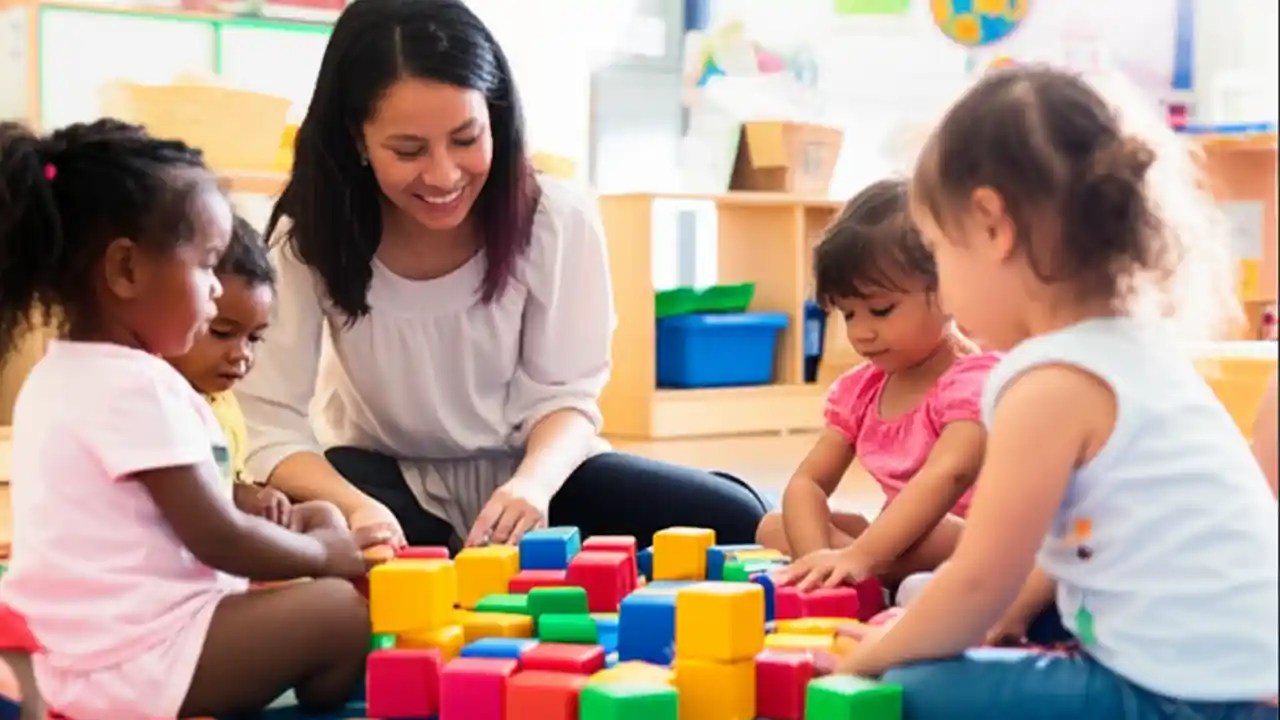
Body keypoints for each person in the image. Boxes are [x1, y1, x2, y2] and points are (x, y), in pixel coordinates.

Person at [236, 0, 769, 551]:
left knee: (736, 514)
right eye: (408, 150)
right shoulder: (308, 236)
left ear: (496, 116)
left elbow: (567, 398)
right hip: (380, 479)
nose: (443, 175)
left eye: (466, 139)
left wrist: (531, 489)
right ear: (357, 140)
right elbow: (272, 422)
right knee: (302, 526)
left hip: (542, 473)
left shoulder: (557, 220)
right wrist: (357, 508)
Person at [833, 66, 1278, 719]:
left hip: (1185, 700)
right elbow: (1049, 557)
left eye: (938, 252)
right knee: (944, 617)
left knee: (912, 690)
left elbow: (983, 578)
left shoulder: (1046, 385)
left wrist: (869, 659)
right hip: (1247, 677)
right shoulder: (1138, 351)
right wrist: (997, 621)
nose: (946, 293)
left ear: (992, 224)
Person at [0, 119, 374, 719]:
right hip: (129, 665)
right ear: (126, 271)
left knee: (314, 541)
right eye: (205, 266)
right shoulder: (136, 385)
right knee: (341, 612)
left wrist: (281, 514)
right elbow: (221, 540)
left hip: (76, 647)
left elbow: (164, 515)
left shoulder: (63, 372)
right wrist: (327, 555)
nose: (213, 295)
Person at [759, 180, 998, 591]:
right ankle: (857, 576)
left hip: (978, 543)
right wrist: (819, 559)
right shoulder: (861, 391)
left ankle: (871, 570)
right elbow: (808, 482)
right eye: (849, 315)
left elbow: (950, 473)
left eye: (880, 310)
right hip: (896, 542)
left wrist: (860, 554)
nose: (862, 332)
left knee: (932, 533)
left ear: (949, 290)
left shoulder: (974, 380)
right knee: (773, 526)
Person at [166, 216, 347, 531]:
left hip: (227, 540)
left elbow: (228, 480)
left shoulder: (221, 402)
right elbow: (195, 512)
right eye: (222, 332)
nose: (242, 354)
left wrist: (255, 495)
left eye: (254, 338)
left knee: (325, 516)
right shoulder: (165, 404)